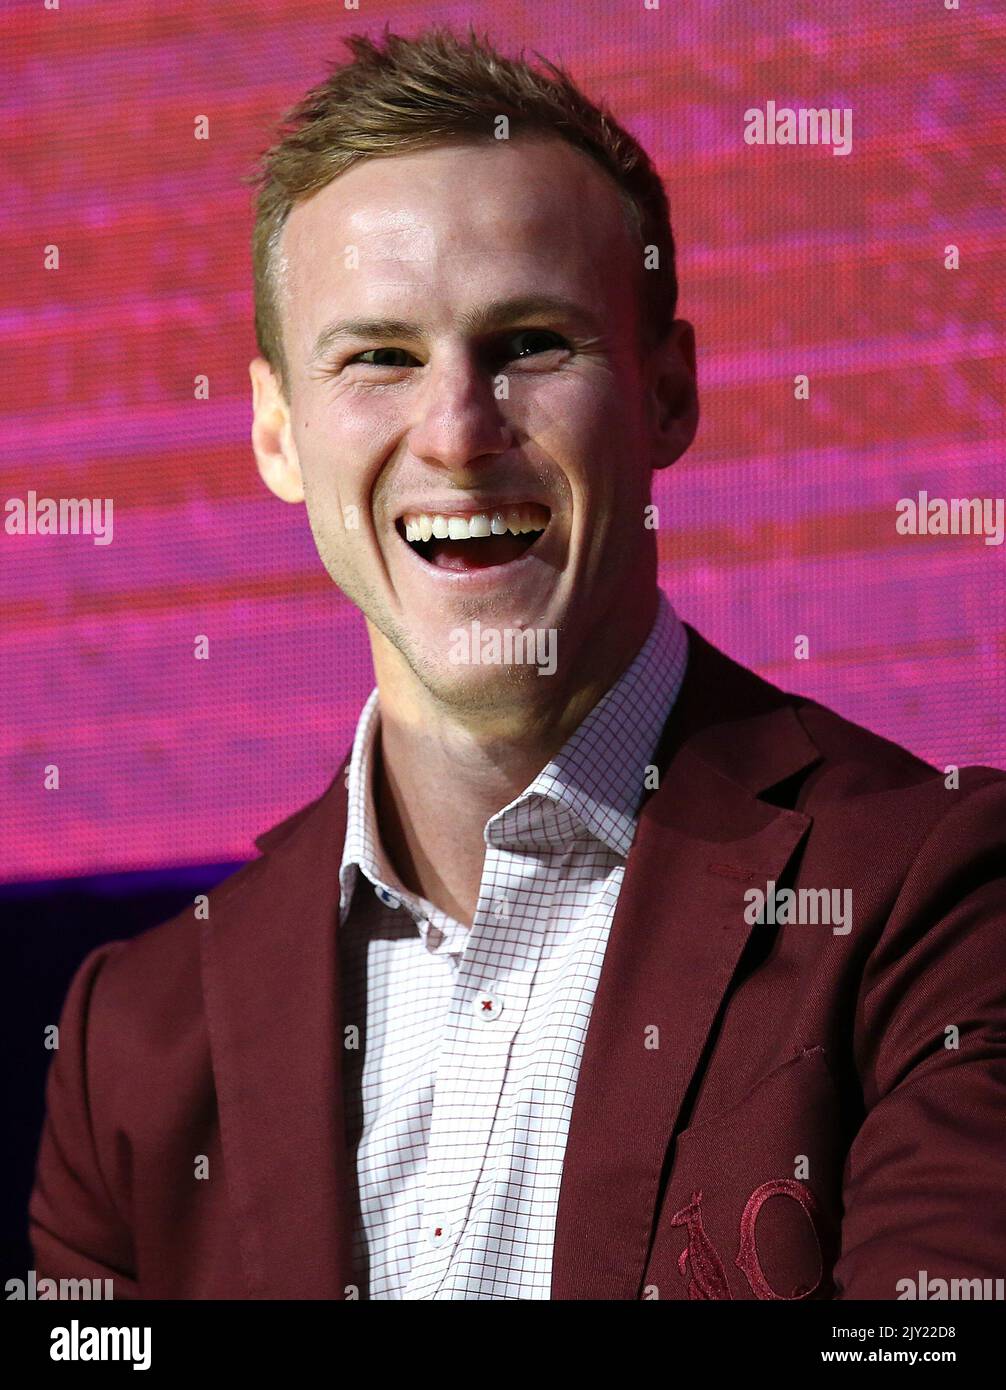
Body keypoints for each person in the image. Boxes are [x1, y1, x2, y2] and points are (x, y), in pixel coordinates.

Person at [30, 24, 1006, 1301]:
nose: (457, 431)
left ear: (667, 395)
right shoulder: (133, 1037)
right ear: (276, 432)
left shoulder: (935, 897)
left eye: (531, 343)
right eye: (378, 355)